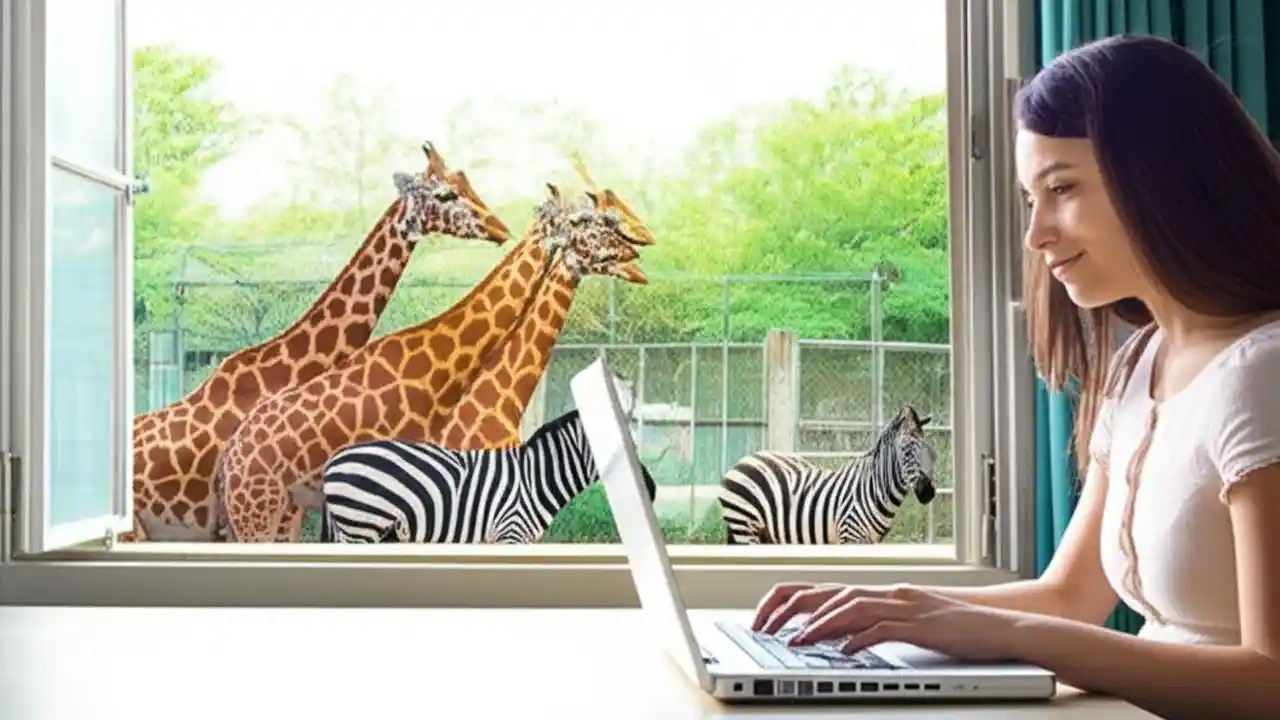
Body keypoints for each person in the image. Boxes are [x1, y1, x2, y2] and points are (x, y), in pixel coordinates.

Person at [751, 34, 1280, 719]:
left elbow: (1268, 679)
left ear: (1162, 175)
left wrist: (1006, 631)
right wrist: (894, 607)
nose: (1036, 235)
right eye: (1032, 198)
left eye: (1061, 189)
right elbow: (1071, 597)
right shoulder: (1139, 363)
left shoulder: (1260, 375)